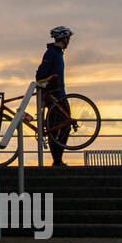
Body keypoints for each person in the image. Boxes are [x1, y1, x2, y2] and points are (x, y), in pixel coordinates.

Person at [36, 26, 73, 166]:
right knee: (56, 128)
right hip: (54, 96)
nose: (68, 41)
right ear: (62, 38)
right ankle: (57, 160)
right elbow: (40, 74)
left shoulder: (57, 53)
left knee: (64, 126)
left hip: (60, 95)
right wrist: (49, 80)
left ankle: (58, 159)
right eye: (67, 38)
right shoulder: (51, 53)